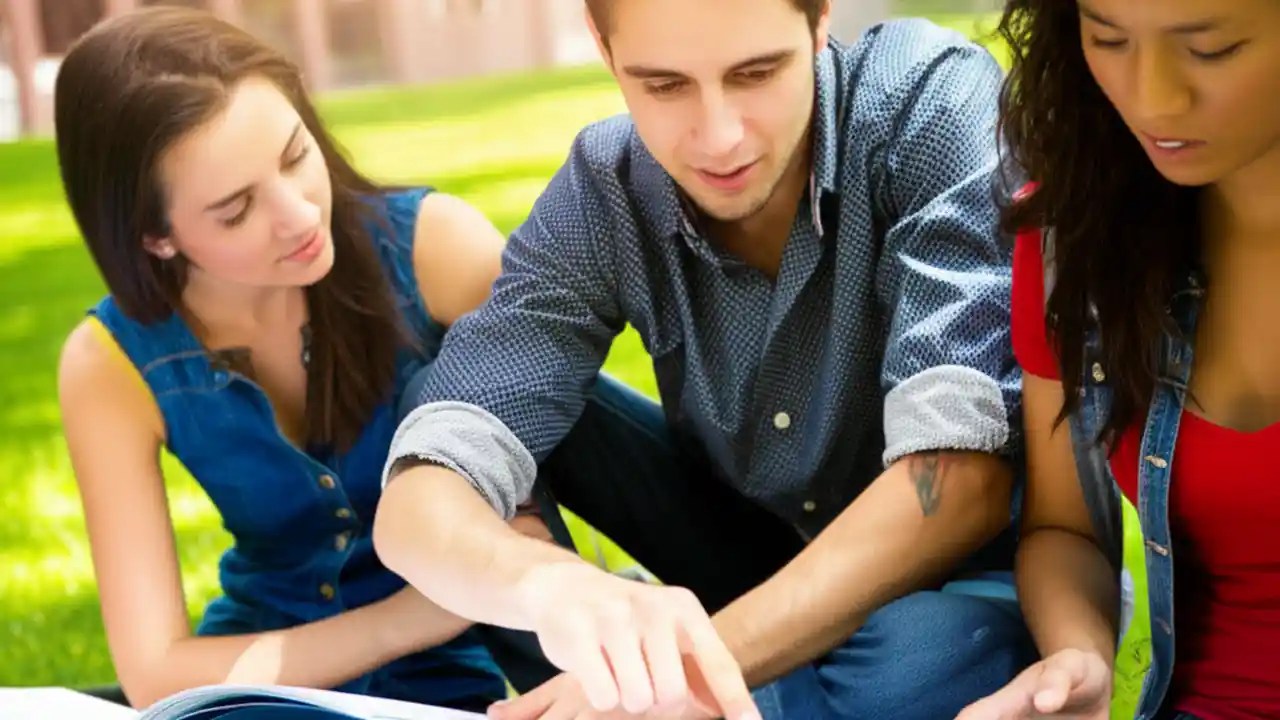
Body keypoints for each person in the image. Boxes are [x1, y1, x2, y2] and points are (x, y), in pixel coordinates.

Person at [372, 1, 1038, 718]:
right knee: (439, 398)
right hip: (751, 550)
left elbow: (961, 484)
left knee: (928, 663)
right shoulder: (606, 190)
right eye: (664, 86)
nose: (719, 138)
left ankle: (645, 703)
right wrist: (551, 586)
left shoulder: (926, 102)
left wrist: (693, 670)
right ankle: (610, 691)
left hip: (953, 582)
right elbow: (421, 490)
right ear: (602, 48)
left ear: (819, 23)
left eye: (757, 73)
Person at [53, 7, 540, 711]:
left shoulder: (437, 252)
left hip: (452, 685)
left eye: (294, 155)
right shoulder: (110, 364)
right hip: (248, 689)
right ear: (155, 237)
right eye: (236, 209)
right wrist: (404, 620)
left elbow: (535, 525)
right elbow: (156, 672)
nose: (302, 214)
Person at [957, 1, 1280, 719]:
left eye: (1212, 49)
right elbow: (1065, 529)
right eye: (1108, 39)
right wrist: (1078, 660)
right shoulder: (1080, 241)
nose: (1152, 97)